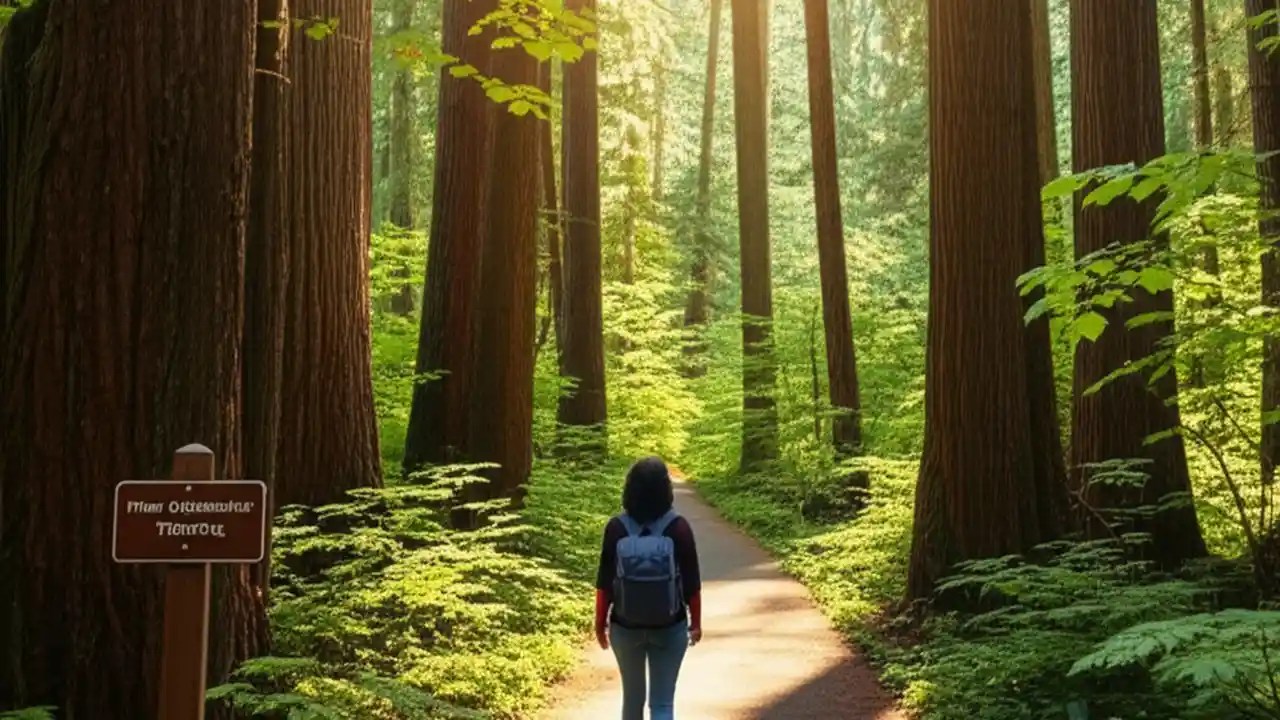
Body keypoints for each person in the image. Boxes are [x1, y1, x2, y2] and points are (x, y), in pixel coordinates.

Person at [594, 456, 702, 720]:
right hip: (669, 627)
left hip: (625, 627)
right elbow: (692, 584)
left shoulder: (616, 528)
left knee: (632, 701)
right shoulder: (679, 528)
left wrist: (600, 624)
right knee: (662, 704)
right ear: (666, 489)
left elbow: (604, 583)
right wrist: (696, 624)